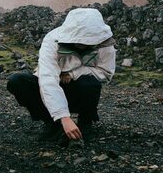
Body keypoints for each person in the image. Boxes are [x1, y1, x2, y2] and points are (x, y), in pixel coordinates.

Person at [7, 8, 116, 143]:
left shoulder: (104, 43)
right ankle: (53, 123)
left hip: (77, 91)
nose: (83, 43)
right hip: (51, 90)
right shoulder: (52, 40)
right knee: (17, 81)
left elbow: (105, 72)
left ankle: (85, 124)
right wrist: (63, 117)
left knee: (90, 83)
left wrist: (72, 73)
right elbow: (48, 79)